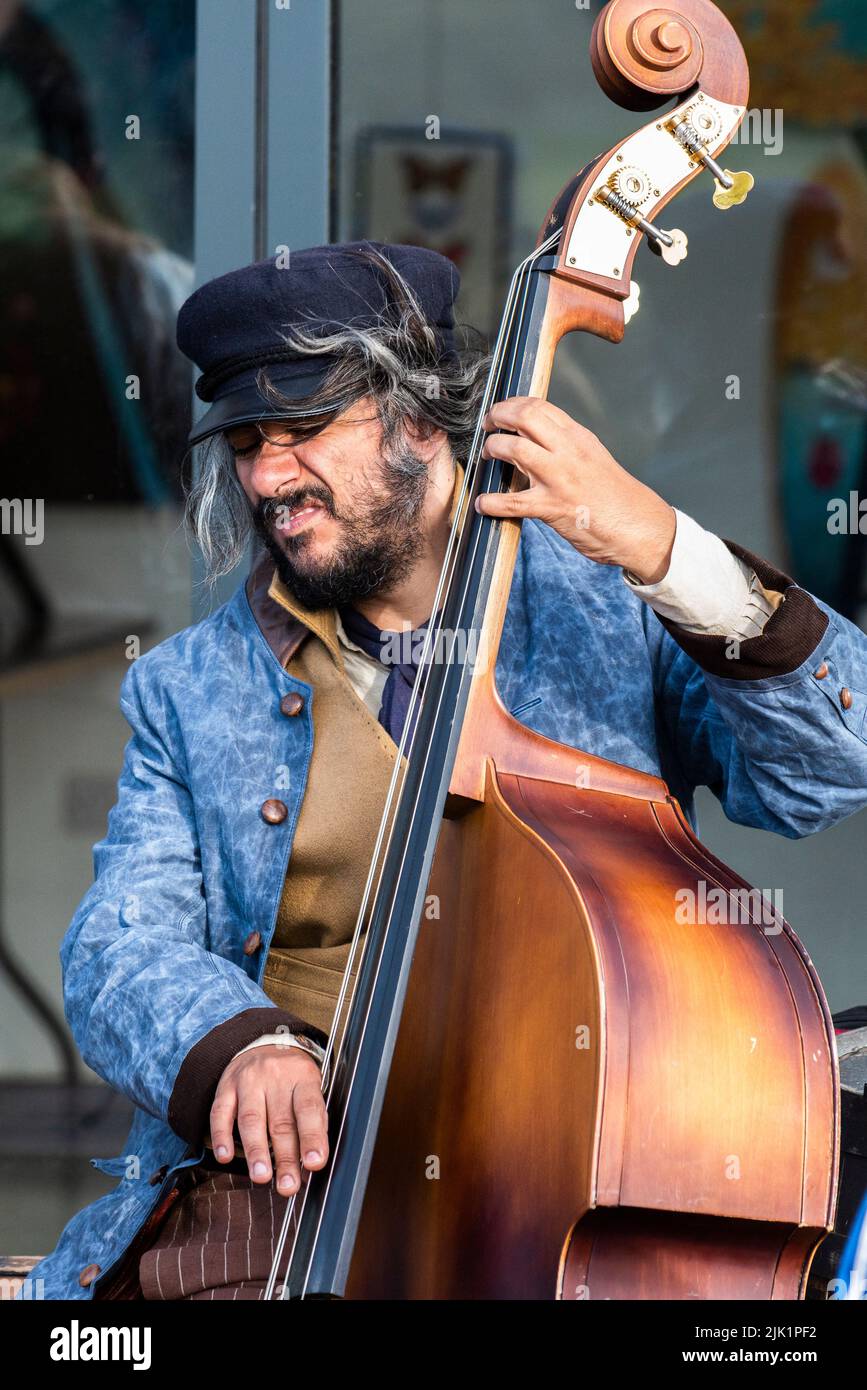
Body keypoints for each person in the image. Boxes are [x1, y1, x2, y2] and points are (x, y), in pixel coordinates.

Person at [26, 241, 867, 1300]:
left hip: (553, 1184)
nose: (268, 477)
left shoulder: (615, 603)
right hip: (294, 1196)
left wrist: (667, 554)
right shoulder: (189, 687)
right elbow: (117, 943)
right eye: (247, 440)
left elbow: (832, 768)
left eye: (305, 429)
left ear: (420, 419)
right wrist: (237, 1046)